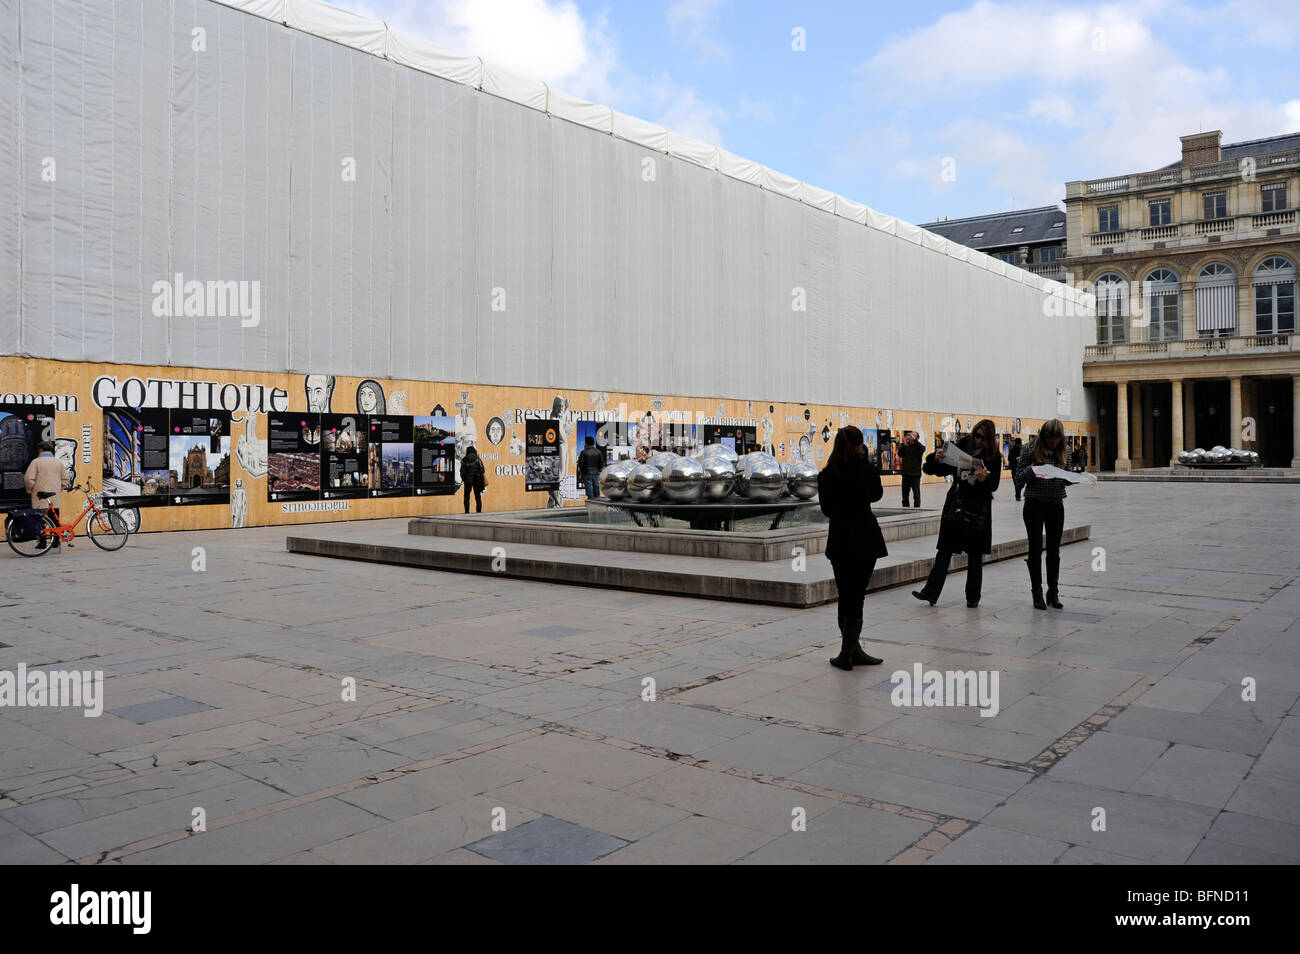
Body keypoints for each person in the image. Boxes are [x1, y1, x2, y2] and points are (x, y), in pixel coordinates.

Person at [817, 425, 887, 670]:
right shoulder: (865, 468)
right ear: (859, 445)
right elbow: (877, 494)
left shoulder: (827, 474)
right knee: (857, 594)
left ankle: (850, 650)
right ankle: (848, 652)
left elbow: (826, 509)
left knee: (845, 593)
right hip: (864, 538)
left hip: (840, 539)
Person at [912, 418, 1002, 608]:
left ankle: (973, 597)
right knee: (944, 550)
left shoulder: (994, 457)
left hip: (978, 510)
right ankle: (930, 592)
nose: (977, 440)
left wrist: (984, 478)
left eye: (982, 438)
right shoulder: (961, 447)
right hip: (957, 505)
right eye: (976, 435)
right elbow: (934, 469)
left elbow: (993, 486)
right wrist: (936, 458)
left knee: (975, 555)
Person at [1018, 418, 1069, 610]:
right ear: (1044, 436)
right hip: (1034, 504)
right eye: (1050, 439)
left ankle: (1053, 591)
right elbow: (1018, 477)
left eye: (1057, 440)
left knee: (1054, 550)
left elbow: (1068, 473)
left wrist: (1071, 478)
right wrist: (1034, 470)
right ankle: (1036, 592)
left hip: (1056, 503)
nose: (1053, 443)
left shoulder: (1065, 450)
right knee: (1035, 549)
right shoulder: (1029, 449)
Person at [24, 441, 68, 551]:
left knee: (40, 520)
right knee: (55, 519)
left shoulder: (36, 462)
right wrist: (60, 488)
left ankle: (42, 543)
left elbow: (29, 479)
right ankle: (56, 541)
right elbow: (65, 479)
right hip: (55, 497)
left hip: (40, 496)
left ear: (40, 450)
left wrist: (30, 489)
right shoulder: (58, 463)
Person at [898, 430, 924, 507]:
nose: (911, 436)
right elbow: (900, 454)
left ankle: (917, 509)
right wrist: (904, 445)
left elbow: (922, 449)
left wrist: (914, 440)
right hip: (905, 474)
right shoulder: (905, 446)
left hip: (915, 475)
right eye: (910, 435)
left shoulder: (919, 447)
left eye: (913, 435)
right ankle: (905, 509)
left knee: (916, 495)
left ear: (917, 438)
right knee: (905, 496)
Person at [459, 445, 486, 513]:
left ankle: (467, 511)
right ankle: (479, 511)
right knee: (477, 496)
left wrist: (464, 478)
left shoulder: (464, 459)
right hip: (477, 480)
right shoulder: (478, 459)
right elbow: (482, 470)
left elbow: (462, 471)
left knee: (467, 497)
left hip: (468, 481)